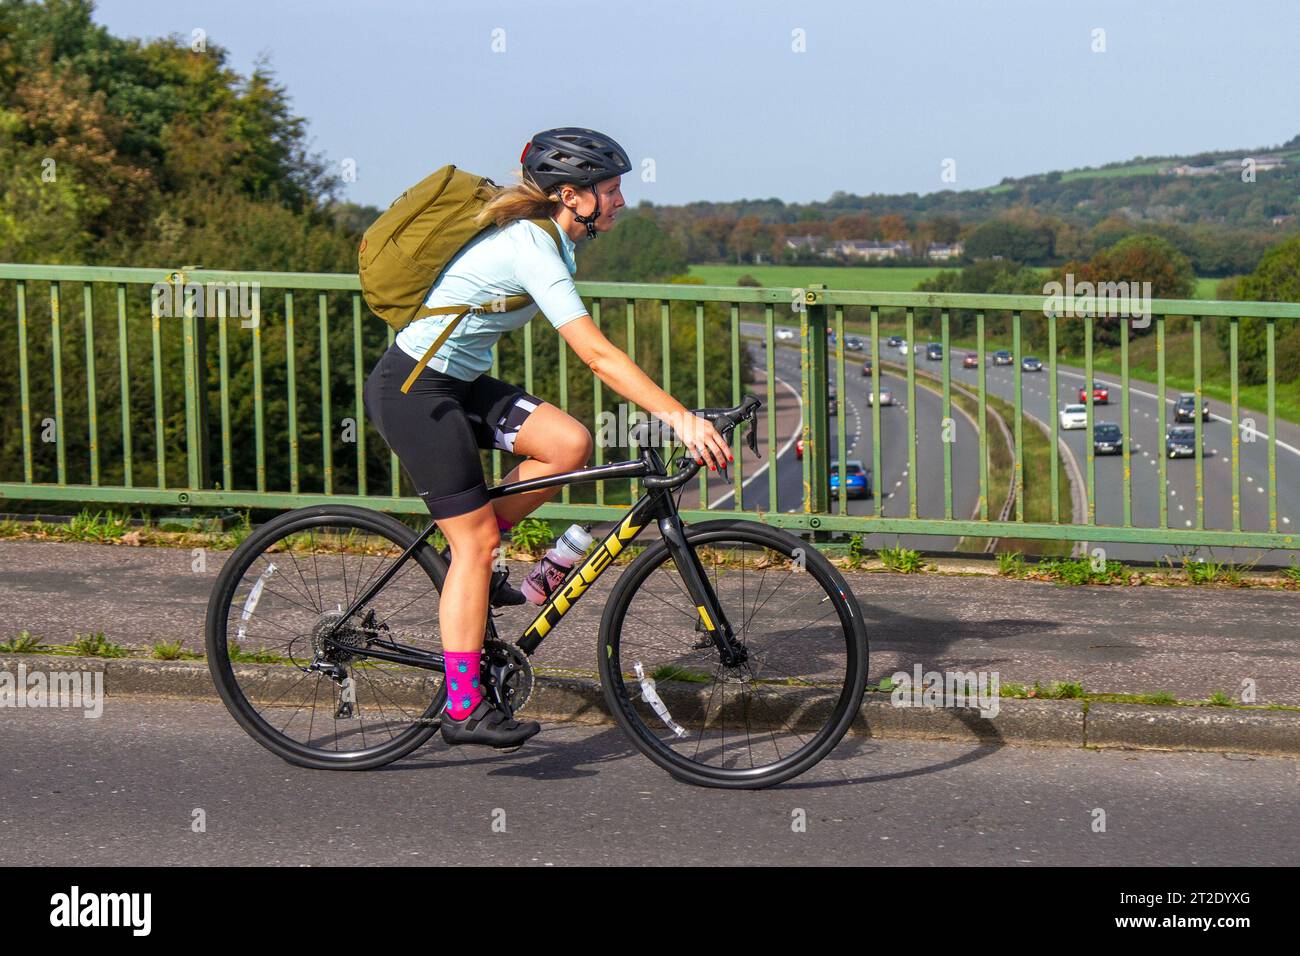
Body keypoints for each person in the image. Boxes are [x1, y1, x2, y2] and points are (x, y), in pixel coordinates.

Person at [362, 128, 733, 750]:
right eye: (611, 190)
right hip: (414, 392)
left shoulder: (556, 243)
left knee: (567, 444)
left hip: (456, 383)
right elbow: (595, 355)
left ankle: (469, 556)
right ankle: (461, 705)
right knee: (476, 544)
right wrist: (681, 418)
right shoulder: (532, 245)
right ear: (572, 195)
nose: (620, 201)